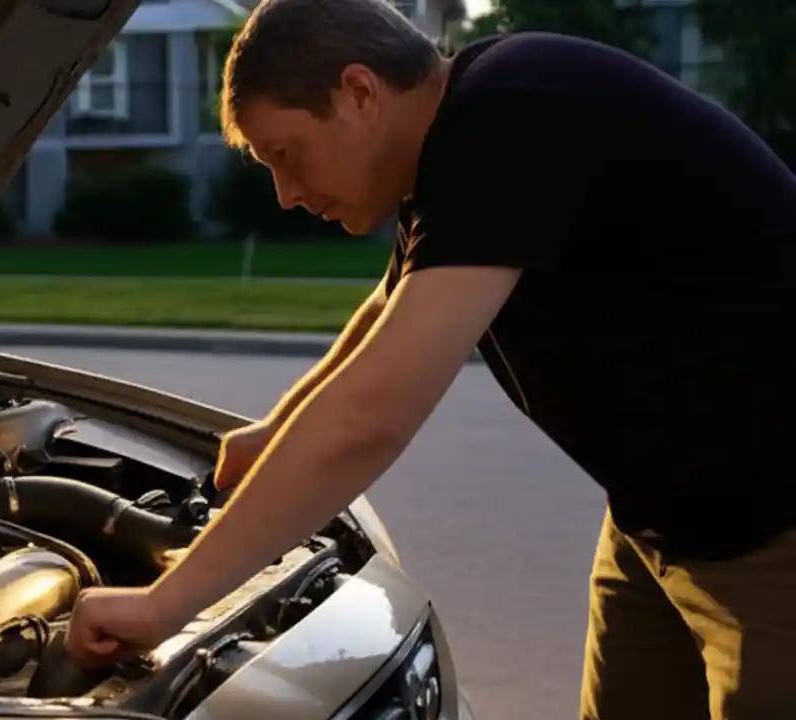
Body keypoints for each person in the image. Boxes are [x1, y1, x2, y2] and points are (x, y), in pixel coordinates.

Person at [63, 1, 794, 717]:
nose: (284, 195)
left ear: (358, 92)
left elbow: (369, 418)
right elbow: (386, 314)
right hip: (660, 527)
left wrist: (165, 605)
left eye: (284, 155)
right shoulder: (454, 147)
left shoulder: (514, 115)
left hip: (773, 540)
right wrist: (274, 432)